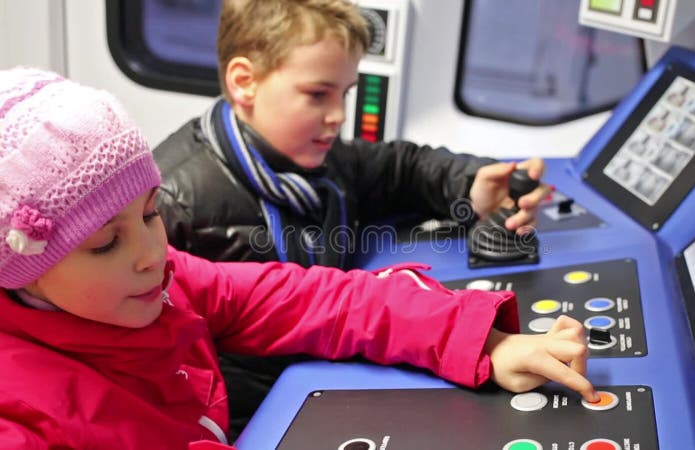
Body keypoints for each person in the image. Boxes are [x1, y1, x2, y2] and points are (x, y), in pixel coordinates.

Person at [0, 68, 595, 449]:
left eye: (151, 213)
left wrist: (482, 344)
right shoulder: (21, 420)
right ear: (22, 268)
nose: (153, 252)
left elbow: (311, 298)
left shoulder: (170, 282)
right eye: (107, 242)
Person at [153, 0, 552, 434]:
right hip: (252, 413)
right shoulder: (174, 204)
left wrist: (470, 186)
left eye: (344, 94)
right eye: (318, 94)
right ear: (244, 83)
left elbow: (402, 168)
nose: (338, 116)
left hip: (322, 368)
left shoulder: (322, 162)